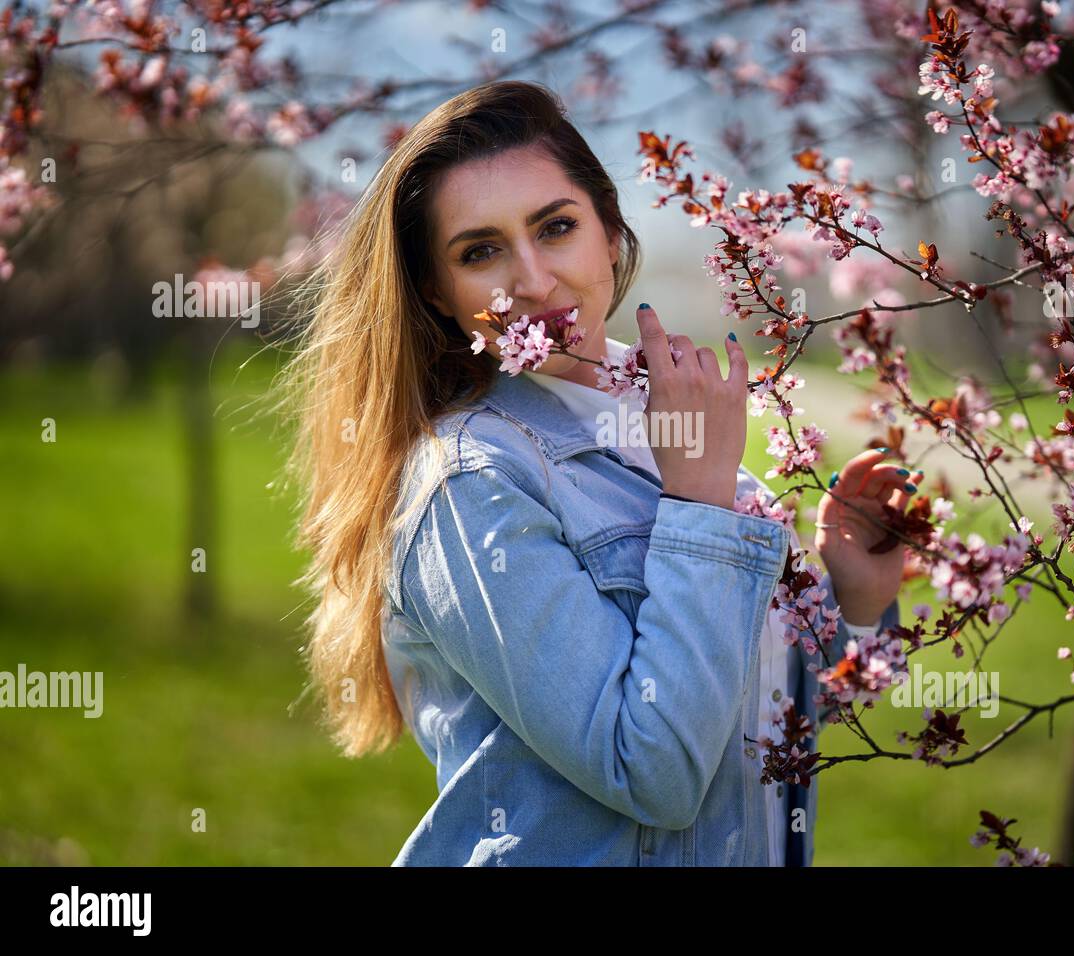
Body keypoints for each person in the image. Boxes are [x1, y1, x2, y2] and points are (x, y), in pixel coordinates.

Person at [284, 79, 917, 866]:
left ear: (610, 233)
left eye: (556, 228)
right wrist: (700, 507)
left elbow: (749, 730)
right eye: (480, 251)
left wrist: (855, 603)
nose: (534, 280)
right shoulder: (470, 484)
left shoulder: (661, 411)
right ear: (437, 294)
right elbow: (655, 774)